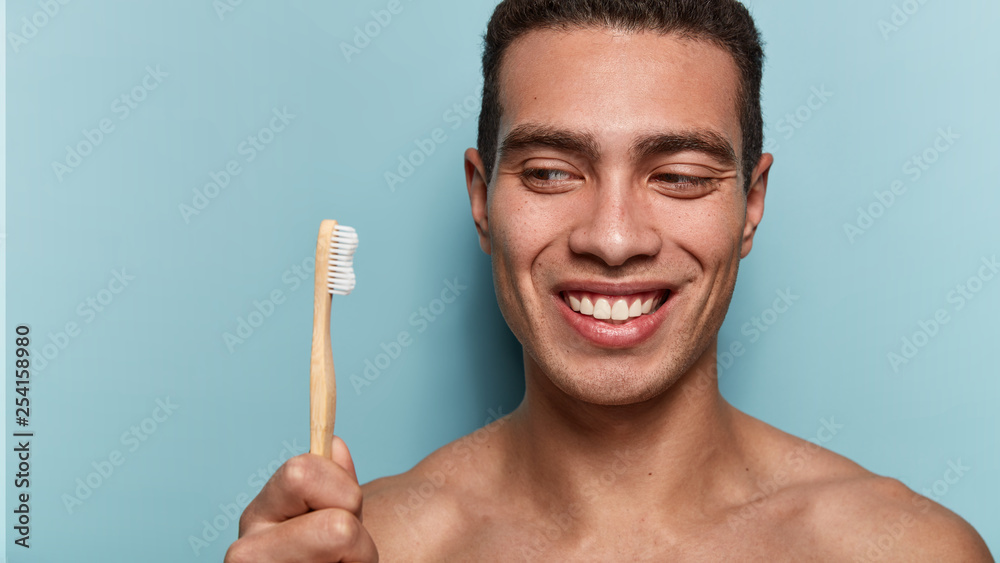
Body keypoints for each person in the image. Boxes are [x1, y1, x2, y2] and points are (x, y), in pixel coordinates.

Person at [226, 1, 994, 561]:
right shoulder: (361, 550)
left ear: (750, 205)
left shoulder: (905, 550)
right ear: (480, 198)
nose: (614, 238)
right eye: (552, 172)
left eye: (682, 176)